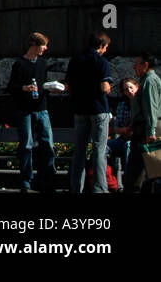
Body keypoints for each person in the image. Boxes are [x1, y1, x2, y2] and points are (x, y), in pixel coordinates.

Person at [7, 32, 57, 192]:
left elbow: (43, 83)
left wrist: (51, 88)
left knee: (47, 144)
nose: (45, 48)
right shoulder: (20, 64)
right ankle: (26, 180)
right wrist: (24, 88)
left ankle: (47, 178)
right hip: (25, 111)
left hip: (42, 108)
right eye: (43, 45)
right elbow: (11, 87)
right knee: (26, 145)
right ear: (34, 45)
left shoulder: (43, 63)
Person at [67, 31, 114, 193]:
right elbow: (104, 87)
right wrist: (107, 88)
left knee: (79, 151)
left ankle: (76, 188)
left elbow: (68, 86)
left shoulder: (75, 61)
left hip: (80, 109)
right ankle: (99, 189)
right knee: (99, 151)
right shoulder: (101, 62)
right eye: (106, 47)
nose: (106, 50)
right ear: (101, 45)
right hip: (98, 109)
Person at [123, 52, 161, 193]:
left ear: (145, 65)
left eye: (136, 64)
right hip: (143, 128)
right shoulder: (147, 80)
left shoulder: (150, 81)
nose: (133, 67)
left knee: (147, 169)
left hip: (147, 129)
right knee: (140, 170)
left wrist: (150, 131)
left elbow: (151, 108)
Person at [108, 78, 138, 187]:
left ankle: (128, 183)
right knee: (104, 147)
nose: (129, 91)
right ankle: (109, 182)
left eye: (131, 87)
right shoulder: (123, 105)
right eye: (125, 89)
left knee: (128, 147)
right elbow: (116, 128)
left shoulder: (142, 103)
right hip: (124, 136)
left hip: (137, 139)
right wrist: (125, 130)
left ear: (136, 87)